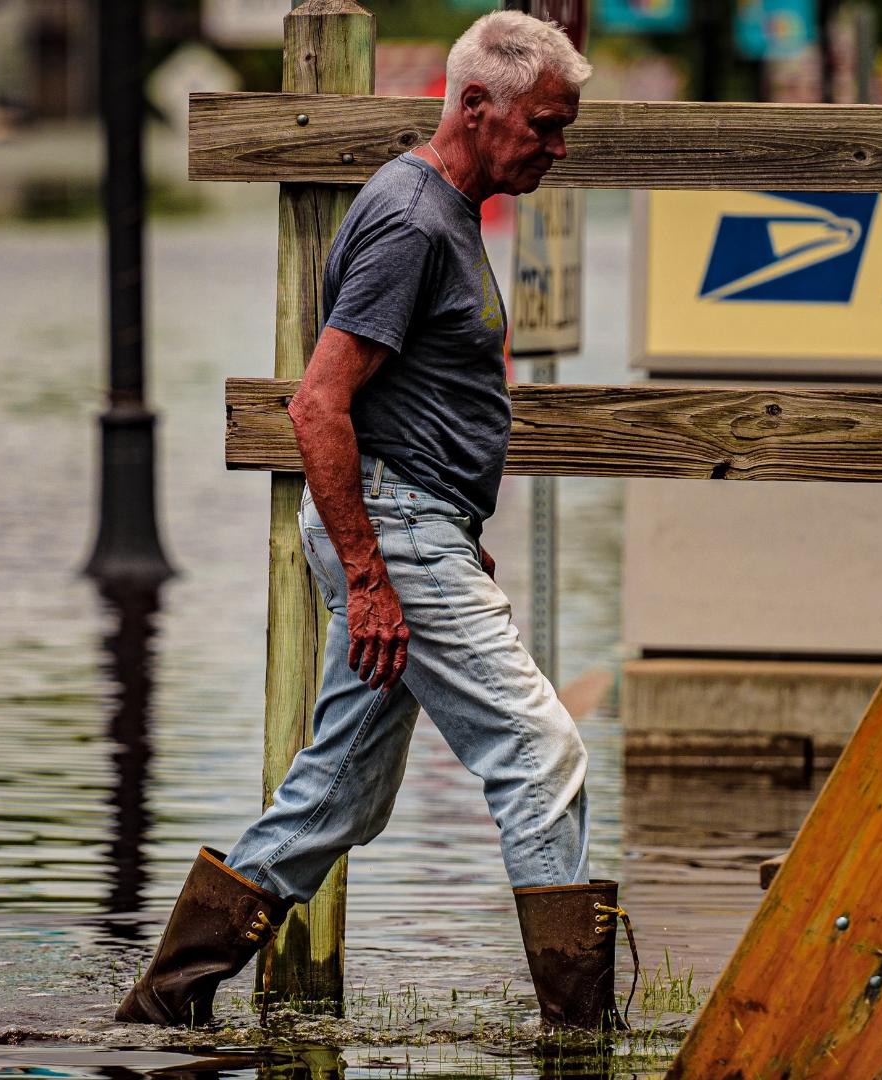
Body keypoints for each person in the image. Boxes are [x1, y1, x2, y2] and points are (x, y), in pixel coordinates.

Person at [115, 11, 633, 1033]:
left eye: (566, 126)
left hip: (413, 523)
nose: (558, 147)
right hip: (392, 531)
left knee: (338, 795)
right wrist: (374, 572)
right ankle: (581, 1039)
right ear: (475, 107)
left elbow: (412, 396)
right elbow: (317, 405)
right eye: (544, 124)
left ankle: (160, 1006)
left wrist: (444, 522)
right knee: (543, 757)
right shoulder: (411, 220)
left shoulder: (441, 209)